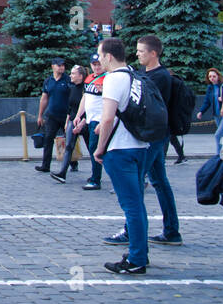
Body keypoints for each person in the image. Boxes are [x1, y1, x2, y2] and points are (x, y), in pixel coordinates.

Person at [92, 37, 150, 274]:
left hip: (121, 149)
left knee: (131, 205)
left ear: (108, 56)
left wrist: (99, 147)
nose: (99, 59)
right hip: (140, 145)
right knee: (137, 203)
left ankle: (137, 259)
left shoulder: (114, 79)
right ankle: (140, 251)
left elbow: (107, 118)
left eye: (100, 55)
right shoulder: (134, 75)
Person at [132, 35, 182, 246]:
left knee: (135, 181)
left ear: (153, 53)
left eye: (141, 51)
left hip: (153, 136)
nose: (137, 54)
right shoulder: (148, 74)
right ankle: (171, 231)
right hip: (154, 135)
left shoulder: (160, 77)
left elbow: (148, 106)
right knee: (159, 182)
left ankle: (131, 230)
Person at [51, 65, 88, 183]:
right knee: (68, 147)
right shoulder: (72, 88)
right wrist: (68, 122)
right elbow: (70, 107)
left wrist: (83, 121)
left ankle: (98, 175)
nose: (70, 75)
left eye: (73, 73)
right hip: (73, 120)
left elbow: (90, 107)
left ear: (80, 76)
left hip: (85, 121)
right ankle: (62, 173)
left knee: (92, 149)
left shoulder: (86, 88)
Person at [36, 58, 71, 172]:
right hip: (52, 116)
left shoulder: (68, 80)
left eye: (63, 65)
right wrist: (40, 115)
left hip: (66, 116)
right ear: (53, 66)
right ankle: (45, 165)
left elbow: (73, 96)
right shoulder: (48, 81)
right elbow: (44, 98)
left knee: (70, 140)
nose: (61, 67)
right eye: (59, 65)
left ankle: (73, 162)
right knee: (48, 139)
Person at [78, 54, 106, 190]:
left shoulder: (107, 78)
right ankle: (95, 174)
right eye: (94, 64)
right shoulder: (89, 78)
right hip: (90, 118)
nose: (96, 67)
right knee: (93, 148)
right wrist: (79, 115)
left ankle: (96, 179)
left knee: (96, 148)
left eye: (99, 64)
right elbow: (85, 98)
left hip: (100, 119)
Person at [197, 67, 223, 153]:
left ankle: (219, 155)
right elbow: (207, 102)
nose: (212, 78)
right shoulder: (210, 87)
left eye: (214, 76)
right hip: (216, 115)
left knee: (218, 135)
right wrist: (201, 111)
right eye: (210, 77)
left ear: (218, 76)